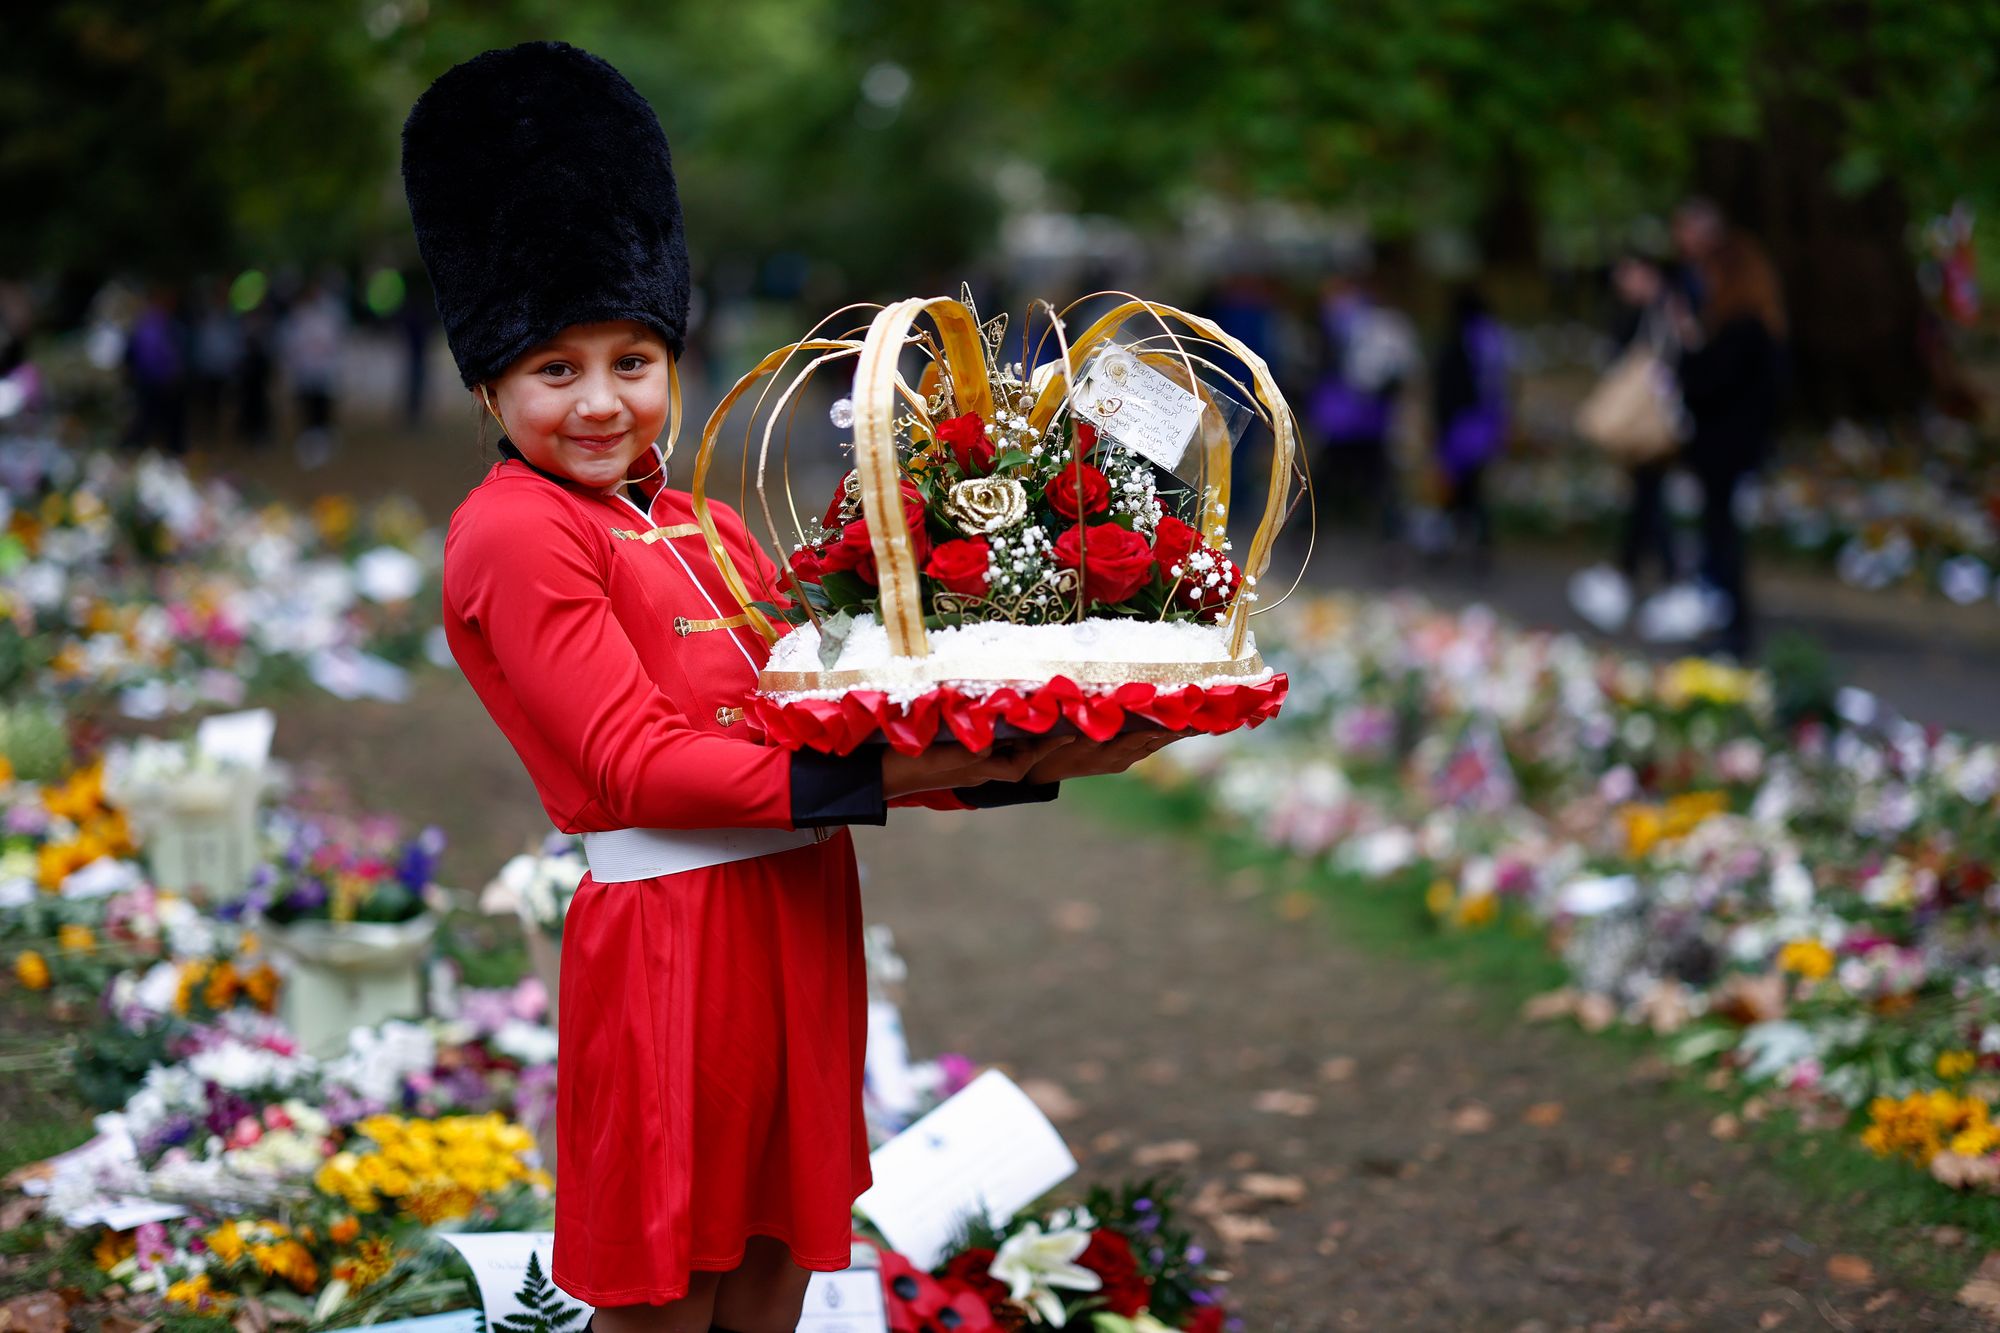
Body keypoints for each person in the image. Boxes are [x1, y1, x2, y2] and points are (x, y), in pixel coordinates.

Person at [404, 43, 1172, 1333]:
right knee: (667, 1288)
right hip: (668, 945)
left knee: (773, 1268)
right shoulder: (514, 531)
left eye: (632, 361)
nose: (601, 403)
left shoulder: (709, 525)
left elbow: (824, 715)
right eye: (555, 370)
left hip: (793, 914)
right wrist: (921, 769)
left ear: (674, 365)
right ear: (487, 383)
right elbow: (635, 763)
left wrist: (1023, 746)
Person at [1673, 230, 1786, 658]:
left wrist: (1688, 346)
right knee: (1722, 540)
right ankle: (1727, 625)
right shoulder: (1765, 327)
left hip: (1724, 453)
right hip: (1739, 451)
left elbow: (1705, 385)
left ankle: (1733, 631)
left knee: (1723, 543)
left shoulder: (1739, 330)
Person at [1308, 270, 1415, 541]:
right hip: (1368, 418)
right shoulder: (1386, 322)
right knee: (1374, 477)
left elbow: (1340, 368)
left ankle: (1306, 528)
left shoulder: (1348, 319)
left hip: (1346, 416)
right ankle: (1389, 531)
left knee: (1330, 474)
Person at [1429, 285, 1510, 558]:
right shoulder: (1493, 338)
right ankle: (1480, 545)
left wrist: (1438, 427)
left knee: (1456, 489)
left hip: (1460, 428)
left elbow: (1447, 388)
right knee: (1476, 489)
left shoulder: (1459, 339)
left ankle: (1451, 545)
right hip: (1486, 426)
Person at [280, 277, 346, 468]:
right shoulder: (298, 317)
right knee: (307, 408)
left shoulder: (327, 316)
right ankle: (309, 444)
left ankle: (324, 442)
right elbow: (292, 344)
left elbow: (332, 342)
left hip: (323, 372)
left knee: (322, 408)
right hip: (305, 372)